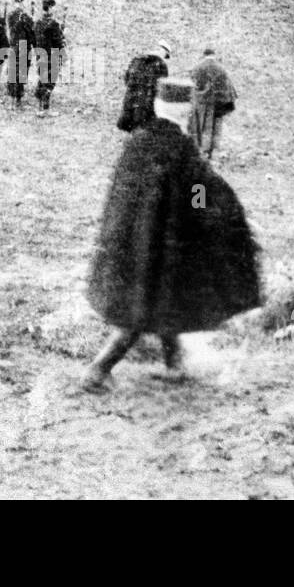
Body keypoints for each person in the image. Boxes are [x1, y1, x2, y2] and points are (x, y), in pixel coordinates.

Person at [82, 77, 261, 391]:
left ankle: (174, 365)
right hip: (163, 249)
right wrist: (224, 218)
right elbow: (199, 197)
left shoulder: (136, 142)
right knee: (140, 313)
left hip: (130, 246)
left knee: (163, 305)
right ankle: (98, 370)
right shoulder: (183, 150)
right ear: (185, 112)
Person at [188, 48, 236, 159]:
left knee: (205, 126)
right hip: (219, 104)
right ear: (214, 55)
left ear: (204, 55)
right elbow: (228, 86)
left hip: (204, 102)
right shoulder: (222, 68)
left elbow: (194, 85)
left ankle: (204, 152)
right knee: (217, 127)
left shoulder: (198, 67)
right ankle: (215, 151)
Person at [117, 42, 170, 133]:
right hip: (147, 105)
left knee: (132, 130)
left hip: (131, 102)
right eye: (166, 55)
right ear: (163, 51)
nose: (165, 58)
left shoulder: (136, 60)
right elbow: (162, 88)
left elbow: (126, 79)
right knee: (144, 131)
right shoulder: (161, 65)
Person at [33, 0, 64, 116]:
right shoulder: (54, 24)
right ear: (50, 8)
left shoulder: (38, 22)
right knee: (49, 82)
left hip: (40, 54)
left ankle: (40, 108)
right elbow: (58, 42)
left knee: (42, 80)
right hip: (52, 56)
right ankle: (45, 110)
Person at [5, 0, 35, 107]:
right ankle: (17, 101)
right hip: (23, 47)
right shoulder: (25, 17)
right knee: (21, 74)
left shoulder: (10, 15)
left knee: (12, 73)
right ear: (23, 2)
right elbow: (31, 33)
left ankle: (11, 101)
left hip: (13, 46)